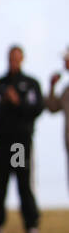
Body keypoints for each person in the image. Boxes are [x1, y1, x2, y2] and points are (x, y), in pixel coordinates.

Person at [0, 44, 43, 233]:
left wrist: (17, 101)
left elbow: (36, 109)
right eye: (11, 58)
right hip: (1, 142)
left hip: (19, 144)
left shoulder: (29, 83)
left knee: (23, 182)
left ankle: (31, 224)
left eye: (17, 58)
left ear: (22, 59)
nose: (13, 61)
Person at [43, 49, 69, 194]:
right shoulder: (66, 91)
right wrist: (52, 86)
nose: (64, 62)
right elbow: (52, 107)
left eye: (66, 59)